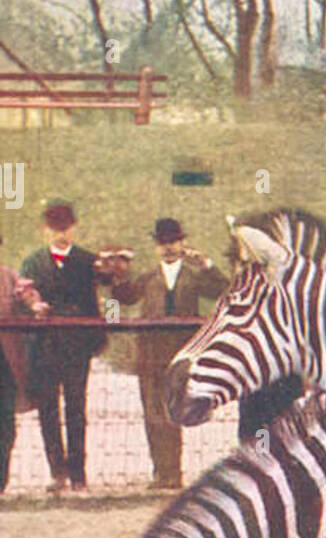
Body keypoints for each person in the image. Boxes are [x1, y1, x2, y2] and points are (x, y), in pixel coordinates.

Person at [108, 218, 227, 489]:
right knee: (153, 414)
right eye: (163, 243)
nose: (169, 248)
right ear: (156, 247)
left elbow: (223, 291)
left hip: (183, 357)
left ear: (183, 243)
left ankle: (173, 471)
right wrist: (116, 276)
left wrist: (208, 266)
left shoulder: (194, 277)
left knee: (175, 412)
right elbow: (121, 299)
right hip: (150, 356)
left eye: (173, 242)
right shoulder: (147, 278)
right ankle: (163, 472)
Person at [20, 200, 107, 493]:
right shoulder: (32, 262)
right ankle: (57, 471)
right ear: (46, 230)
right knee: (47, 409)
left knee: (76, 407)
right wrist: (34, 306)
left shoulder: (88, 261)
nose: (61, 234)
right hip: (44, 345)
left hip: (77, 345)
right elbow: (23, 295)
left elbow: (112, 294)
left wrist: (109, 323)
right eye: (56, 228)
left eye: (66, 228)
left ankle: (78, 474)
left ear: (74, 227)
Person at [0, 231, 48, 493]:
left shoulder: (9, 277)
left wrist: (35, 305)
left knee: (5, 422)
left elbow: (29, 298)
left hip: (4, 361)